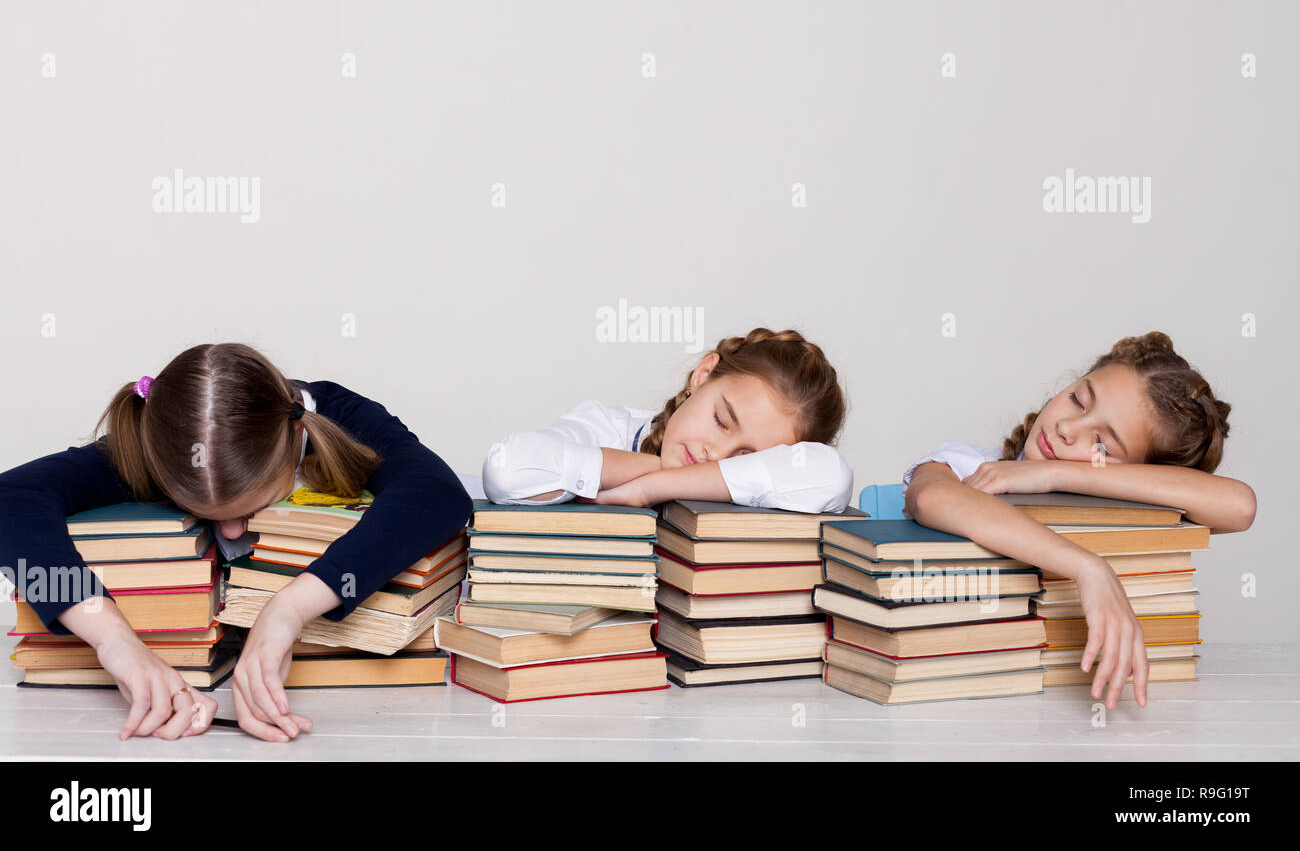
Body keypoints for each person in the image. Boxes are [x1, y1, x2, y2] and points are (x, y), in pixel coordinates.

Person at [0, 343, 471, 742]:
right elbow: (9, 498)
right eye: (205, 517)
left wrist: (288, 608)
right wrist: (113, 641)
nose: (230, 533)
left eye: (251, 509)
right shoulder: (153, 444)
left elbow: (438, 495)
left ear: (296, 435)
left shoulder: (341, 417)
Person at [902, 331, 1256, 710]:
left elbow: (1240, 506)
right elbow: (929, 497)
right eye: (1077, 400)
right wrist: (1088, 568)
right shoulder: (969, 465)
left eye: (1102, 444)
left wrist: (1055, 475)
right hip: (951, 687)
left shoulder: (1121, 506)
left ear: (1138, 473)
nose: (1068, 429)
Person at [482, 327, 854, 513]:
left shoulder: (788, 478)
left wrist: (652, 488)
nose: (717, 454)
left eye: (747, 457)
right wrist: (656, 468)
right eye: (722, 421)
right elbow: (506, 470)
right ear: (704, 375)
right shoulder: (606, 428)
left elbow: (832, 476)